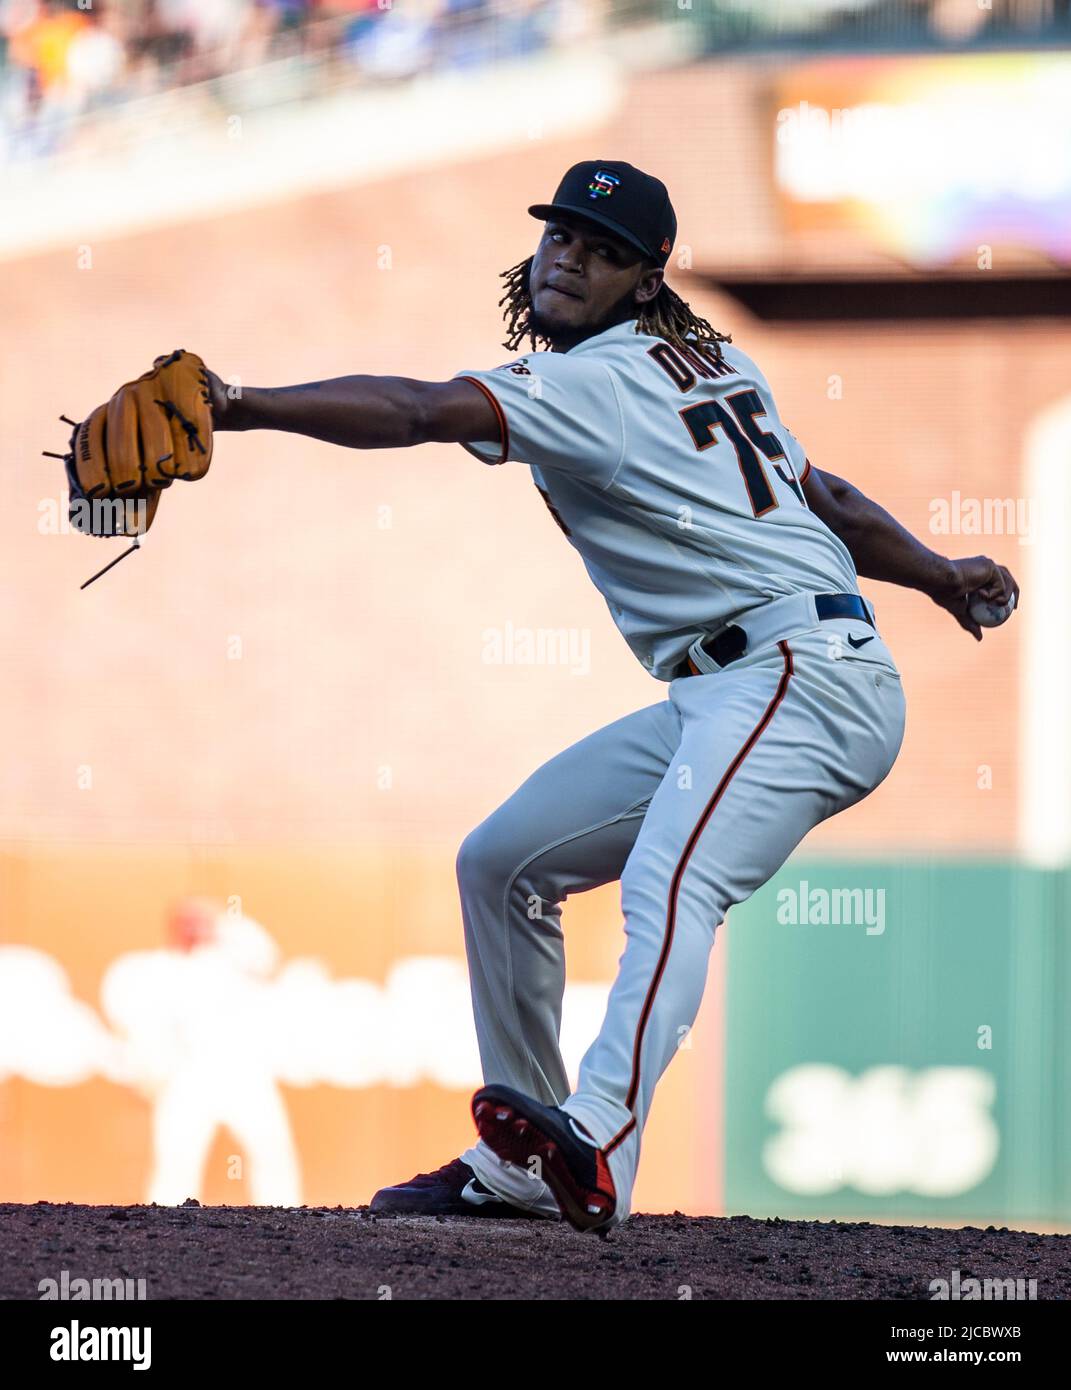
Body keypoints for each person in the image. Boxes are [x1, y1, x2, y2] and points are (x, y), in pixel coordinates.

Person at [203, 159, 1018, 1233]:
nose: (568, 258)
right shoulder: (705, 355)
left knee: (671, 887)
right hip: (737, 687)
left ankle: (596, 1143)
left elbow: (414, 410)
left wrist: (239, 405)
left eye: (602, 249)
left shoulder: (597, 382)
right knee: (503, 865)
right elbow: (823, 495)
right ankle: (518, 1170)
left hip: (796, 680)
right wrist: (938, 574)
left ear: (645, 278)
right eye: (559, 237)